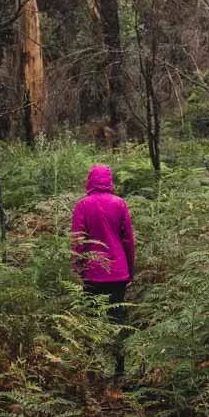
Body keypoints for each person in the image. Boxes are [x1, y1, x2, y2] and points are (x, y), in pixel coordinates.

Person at [71, 162, 135, 378]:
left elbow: (77, 241)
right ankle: (120, 369)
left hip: (92, 272)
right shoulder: (120, 204)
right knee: (118, 318)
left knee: (90, 319)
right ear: (109, 181)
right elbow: (128, 241)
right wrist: (131, 270)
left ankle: (93, 368)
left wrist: (78, 266)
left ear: (89, 181)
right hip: (118, 272)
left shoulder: (82, 205)